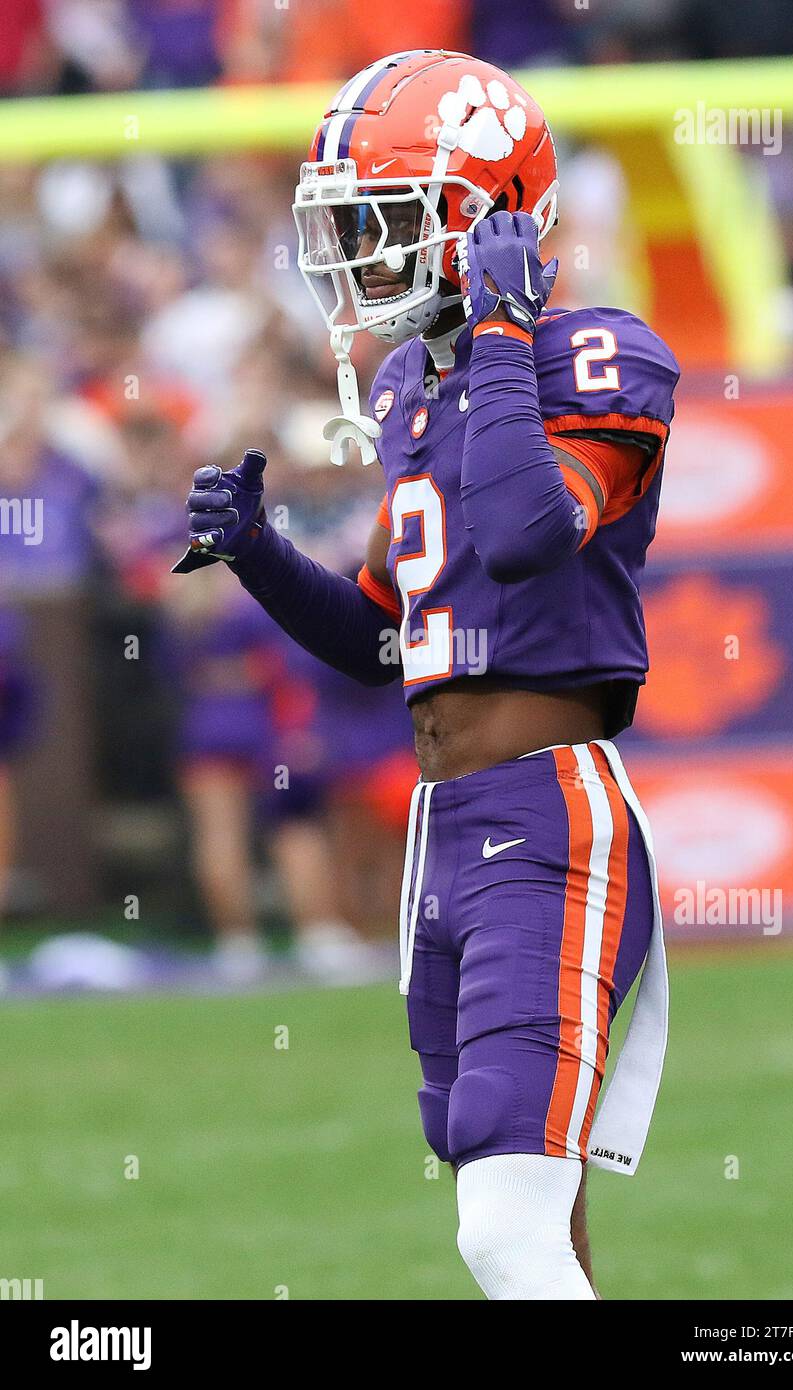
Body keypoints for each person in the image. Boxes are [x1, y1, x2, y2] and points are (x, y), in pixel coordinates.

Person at [176, 50, 679, 1300]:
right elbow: (378, 642)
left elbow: (525, 531)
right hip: (445, 829)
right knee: (516, 1203)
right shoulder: (419, 384)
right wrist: (254, 553)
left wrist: (506, 330)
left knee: (502, 1229)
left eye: (385, 222)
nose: (359, 252)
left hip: (547, 811)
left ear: (488, 216)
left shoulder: (595, 353)